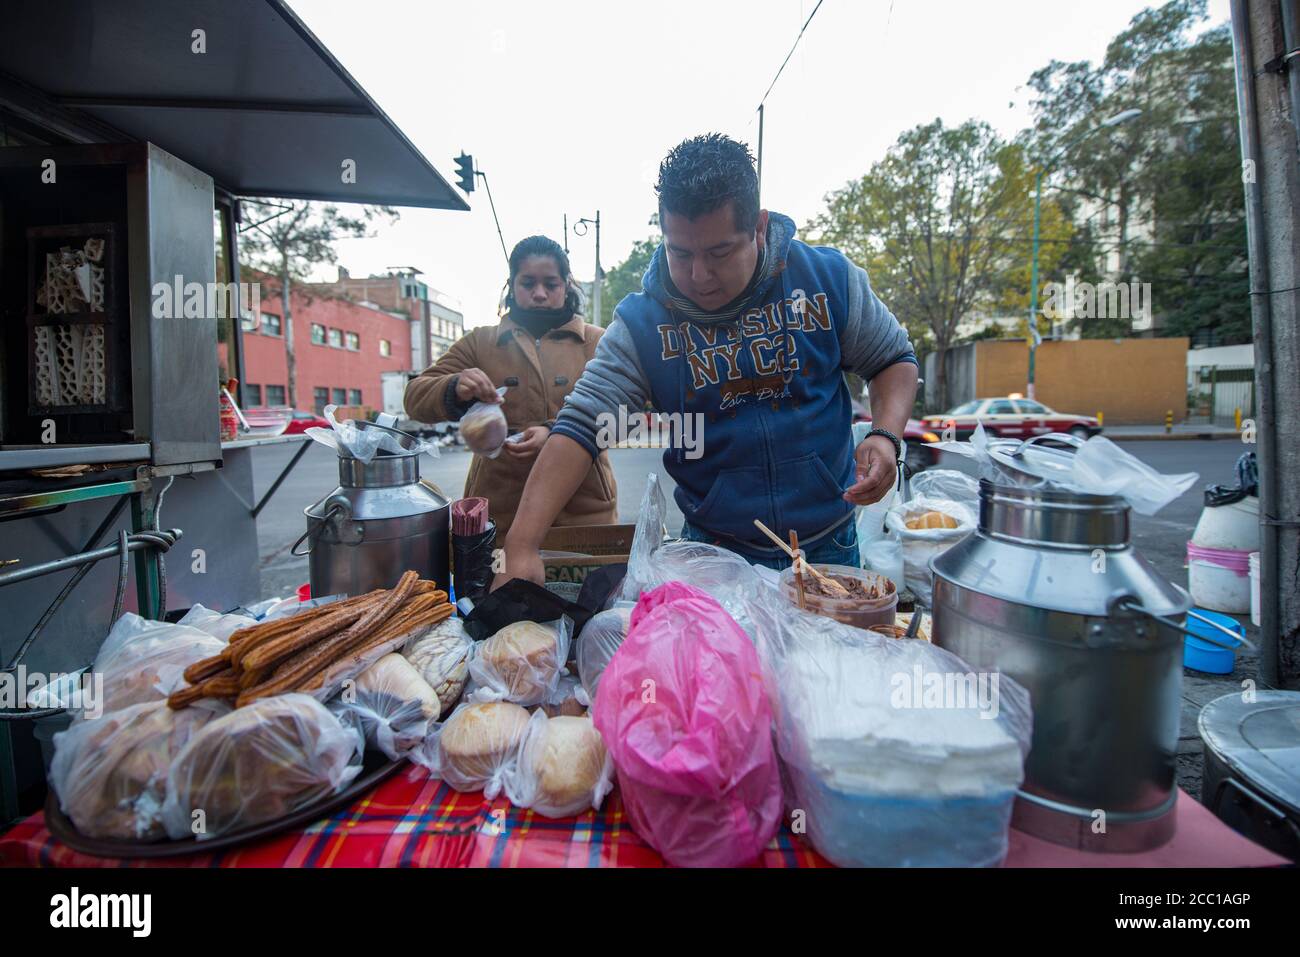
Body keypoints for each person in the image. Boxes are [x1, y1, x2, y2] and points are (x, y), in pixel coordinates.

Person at [494, 134, 917, 585]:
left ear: (758, 226)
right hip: (714, 555)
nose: (698, 275)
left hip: (827, 547)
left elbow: (893, 358)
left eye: (719, 253)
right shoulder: (643, 324)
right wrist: (521, 545)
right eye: (680, 252)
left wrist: (886, 436)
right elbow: (581, 426)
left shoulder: (826, 280)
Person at [404, 235, 618, 536]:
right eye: (528, 283)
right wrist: (454, 386)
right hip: (501, 515)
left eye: (551, 284)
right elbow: (414, 397)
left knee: (588, 584)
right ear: (512, 286)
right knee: (501, 582)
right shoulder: (481, 342)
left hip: (584, 513)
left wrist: (557, 434)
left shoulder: (597, 342)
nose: (540, 293)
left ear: (567, 285)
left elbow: (621, 409)